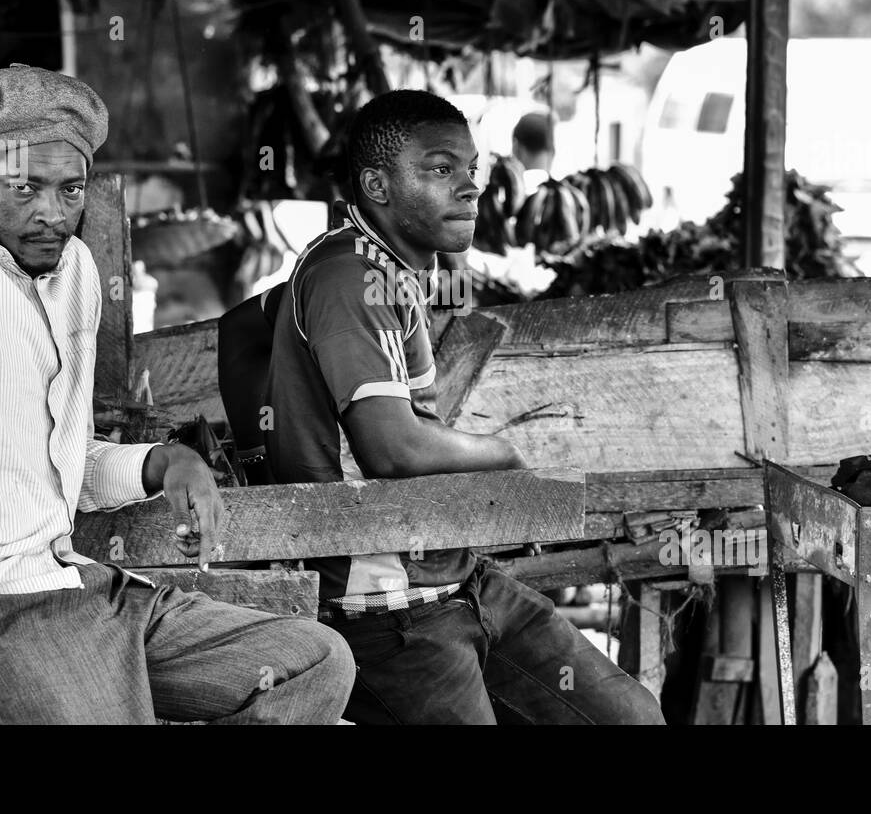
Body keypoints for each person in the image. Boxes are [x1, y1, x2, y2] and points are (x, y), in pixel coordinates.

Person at [0, 65, 353, 724]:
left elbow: (61, 461)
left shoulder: (73, 273)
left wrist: (165, 462)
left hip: (89, 593)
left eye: (69, 189)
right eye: (24, 187)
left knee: (318, 661)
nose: (50, 212)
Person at [264, 89, 664, 724]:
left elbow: (412, 424)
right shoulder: (346, 276)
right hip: (383, 602)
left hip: (456, 577)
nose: (471, 187)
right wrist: (505, 458)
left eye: (471, 169)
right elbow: (395, 450)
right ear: (377, 185)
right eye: (441, 169)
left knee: (628, 717)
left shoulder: (393, 271)